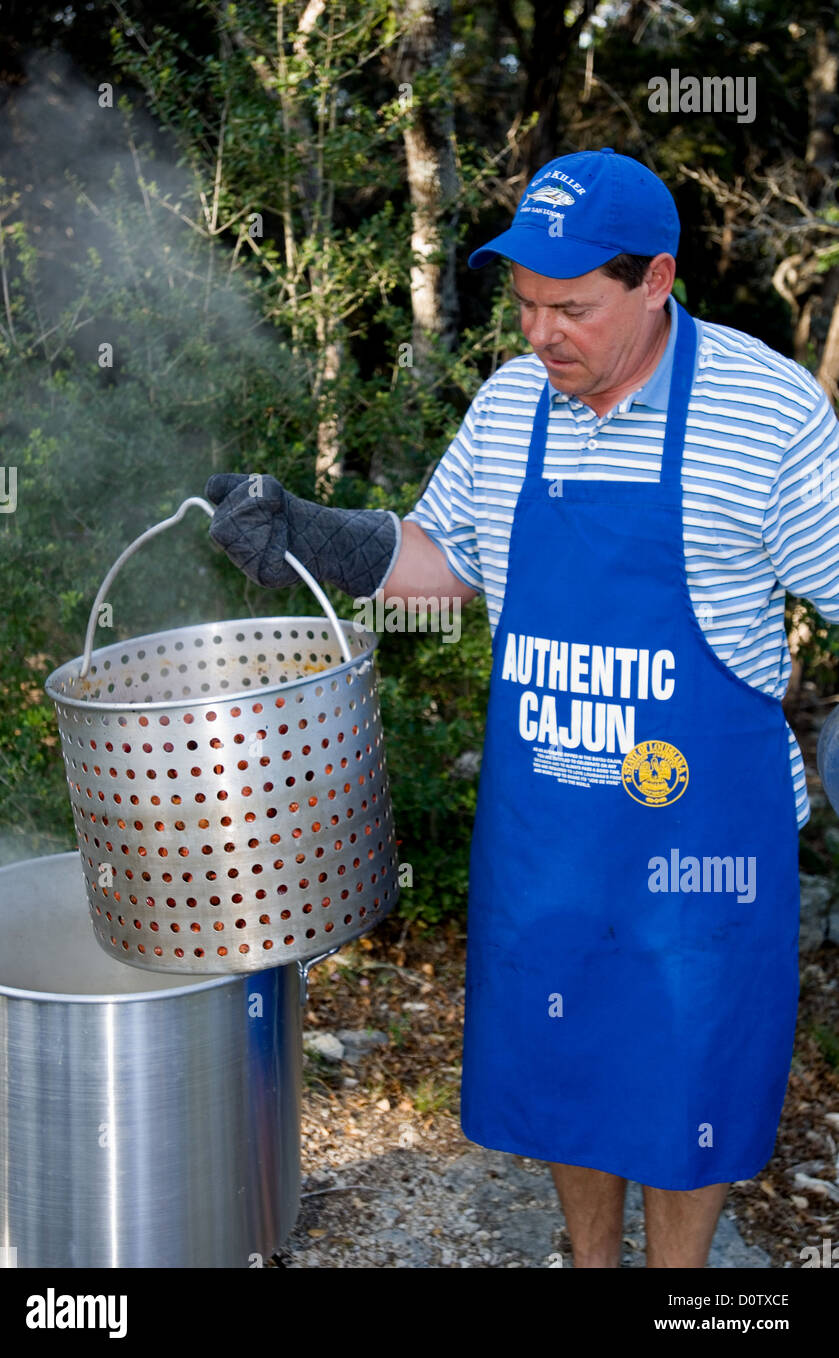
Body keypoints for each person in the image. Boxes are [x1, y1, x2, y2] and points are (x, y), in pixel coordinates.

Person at [205, 148, 839, 1268]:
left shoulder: (765, 412)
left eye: (571, 309)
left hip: (700, 846)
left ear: (655, 279)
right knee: (568, 1073)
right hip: (548, 836)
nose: (541, 335)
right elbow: (442, 558)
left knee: (690, 1081)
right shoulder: (510, 406)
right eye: (525, 305)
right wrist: (307, 531)